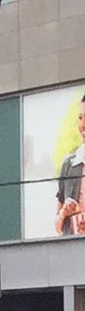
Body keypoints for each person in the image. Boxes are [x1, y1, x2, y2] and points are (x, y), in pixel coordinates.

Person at [57, 92, 85, 234]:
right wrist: (64, 213)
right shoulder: (69, 164)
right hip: (73, 250)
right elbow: (58, 227)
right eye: (80, 118)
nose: (83, 125)